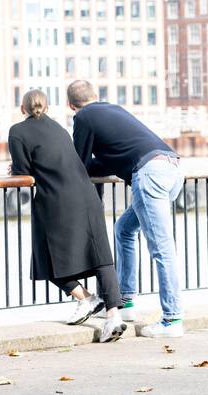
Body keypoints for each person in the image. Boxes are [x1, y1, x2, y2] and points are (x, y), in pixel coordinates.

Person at [67, 80, 185, 338]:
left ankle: (172, 319)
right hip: (172, 167)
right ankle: (126, 301)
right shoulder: (113, 109)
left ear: (70, 106)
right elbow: (114, 158)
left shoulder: (83, 117)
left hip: (150, 173)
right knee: (124, 229)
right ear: (95, 96)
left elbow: (80, 164)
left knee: (162, 248)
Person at [7, 89, 126, 343]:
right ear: (47, 108)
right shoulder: (60, 128)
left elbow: (22, 172)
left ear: (22, 108)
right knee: (101, 258)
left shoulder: (17, 131)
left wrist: (13, 170)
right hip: (87, 197)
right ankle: (114, 317)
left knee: (45, 256)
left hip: (56, 202)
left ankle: (85, 298)